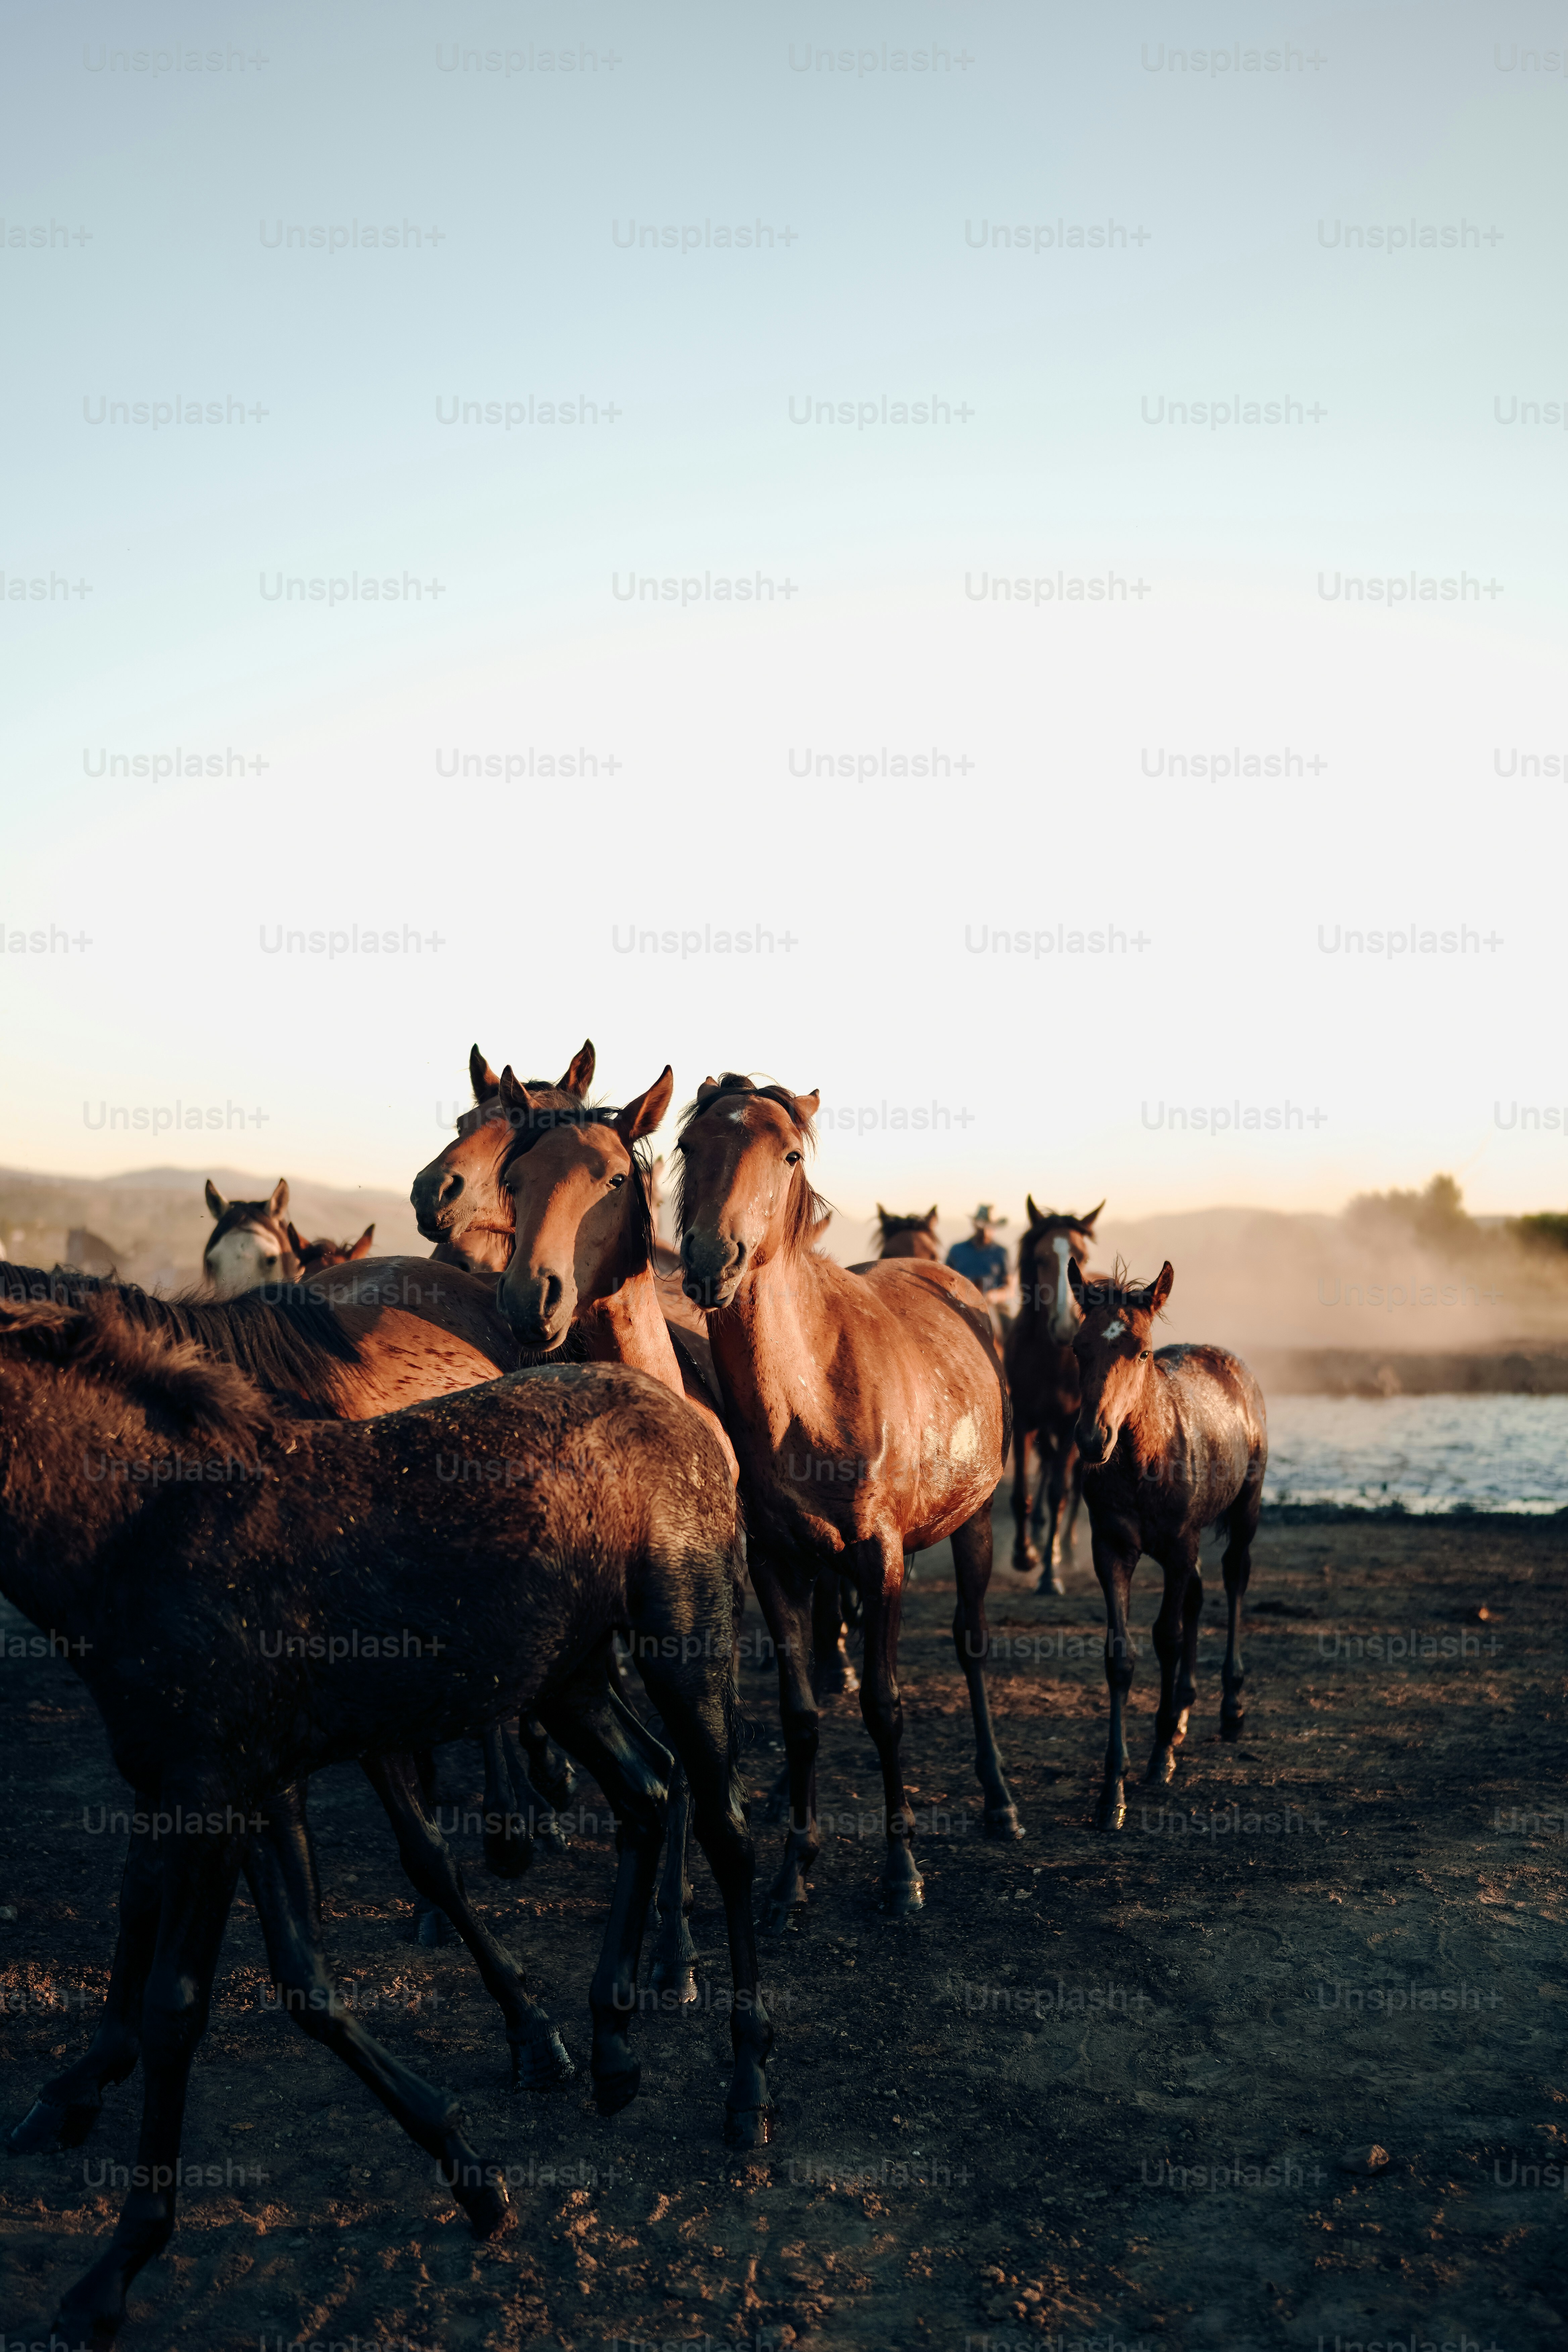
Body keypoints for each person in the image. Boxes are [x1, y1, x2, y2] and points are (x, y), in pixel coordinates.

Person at [945, 1205, 1010, 1298]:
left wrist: (993, 1297)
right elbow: (944, 1279)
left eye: (989, 1227)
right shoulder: (957, 1250)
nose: (985, 1231)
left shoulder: (1002, 1253)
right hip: (959, 1302)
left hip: (993, 1306)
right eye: (982, 1226)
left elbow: (1010, 1288)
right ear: (975, 1225)